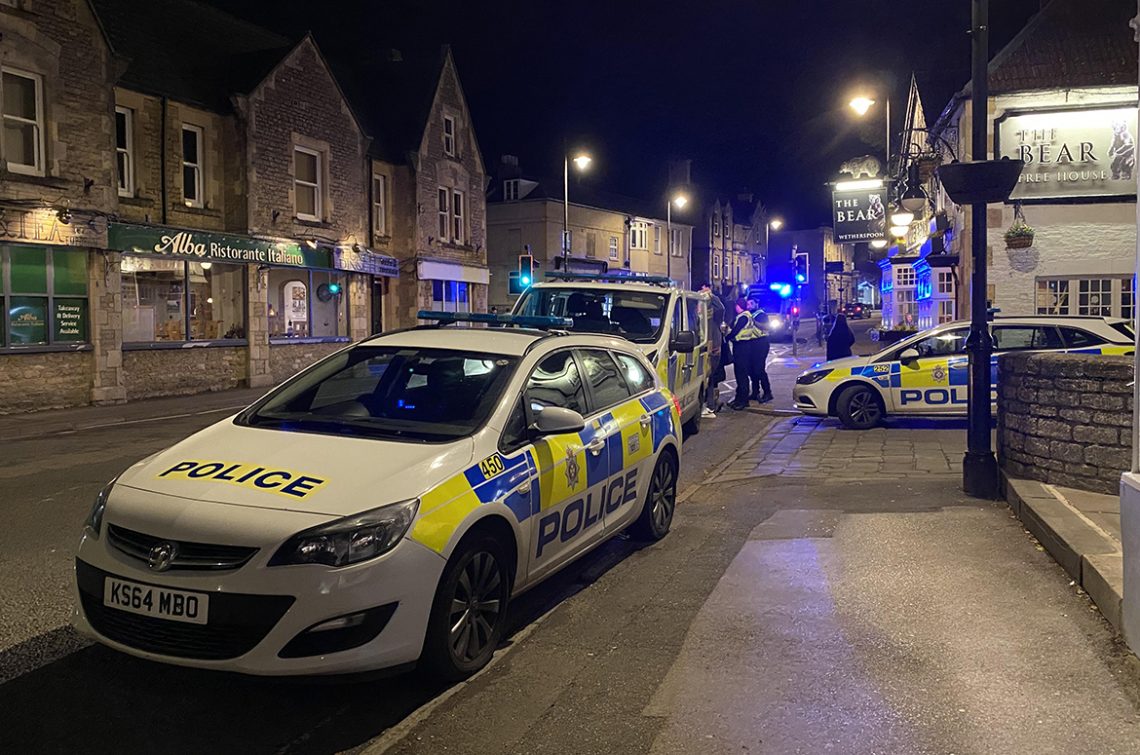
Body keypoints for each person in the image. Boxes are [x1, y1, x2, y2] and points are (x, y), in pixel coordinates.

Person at [727, 297, 773, 409]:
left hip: (760, 343)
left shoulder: (759, 314)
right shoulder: (748, 315)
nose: (749, 305)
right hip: (752, 344)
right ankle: (755, 392)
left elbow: (766, 327)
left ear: (756, 303)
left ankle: (767, 392)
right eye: (748, 303)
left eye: (751, 303)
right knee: (752, 370)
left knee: (759, 369)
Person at [700, 283, 725, 417]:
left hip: (713, 348)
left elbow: (721, 308)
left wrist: (712, 296)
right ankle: (708, 404)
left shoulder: (715, 315)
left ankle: (710, 406)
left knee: (709, 378)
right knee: (707, 379)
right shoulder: (701, 313)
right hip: (705, 348)